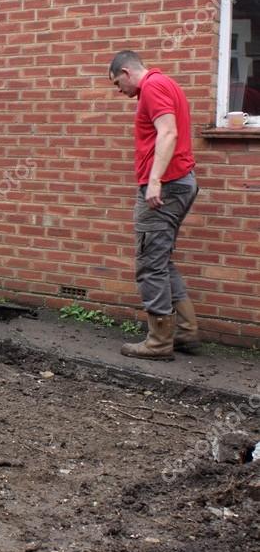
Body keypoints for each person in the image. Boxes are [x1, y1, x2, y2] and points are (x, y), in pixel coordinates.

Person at [108, 50, 200, 360]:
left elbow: (169, 132)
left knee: (149, 262)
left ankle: (159, 342)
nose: (119, 91)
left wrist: (156, 179)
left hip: (167, 185)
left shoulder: (153, 87)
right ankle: (185, 331)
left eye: (117, 83)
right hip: (180, 182)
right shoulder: (165, 84)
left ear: (126, 71)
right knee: (159, 259)